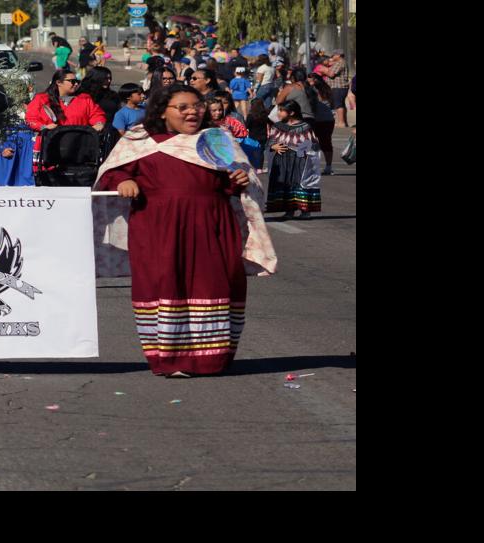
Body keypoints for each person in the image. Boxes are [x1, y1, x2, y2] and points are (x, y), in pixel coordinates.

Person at [93, 85, 275, 378]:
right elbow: (112, 171)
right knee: (162, 282)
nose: (193, 112)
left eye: (197, 106)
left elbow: (234, 180)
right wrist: (123, 181)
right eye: (183, 107)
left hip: (211, 223)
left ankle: (210, 360)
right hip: (156, 225)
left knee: (212, 282)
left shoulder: (216, 138)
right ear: (163, 111)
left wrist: (239, 179)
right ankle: (168, 360)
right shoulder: (139, 139)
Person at [265, 98, 320, 218]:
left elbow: (314, 143)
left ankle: (305, 210)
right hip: (281, 160)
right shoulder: (278, 126)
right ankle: (289, 210)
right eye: (278, 110)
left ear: (291, 113)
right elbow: (270, 141)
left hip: (299, 160)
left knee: (299, 183)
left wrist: (304, 149)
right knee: (284, 184)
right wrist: (274, 146)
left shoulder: (305, 127)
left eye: (281, 111)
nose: (278, 113)